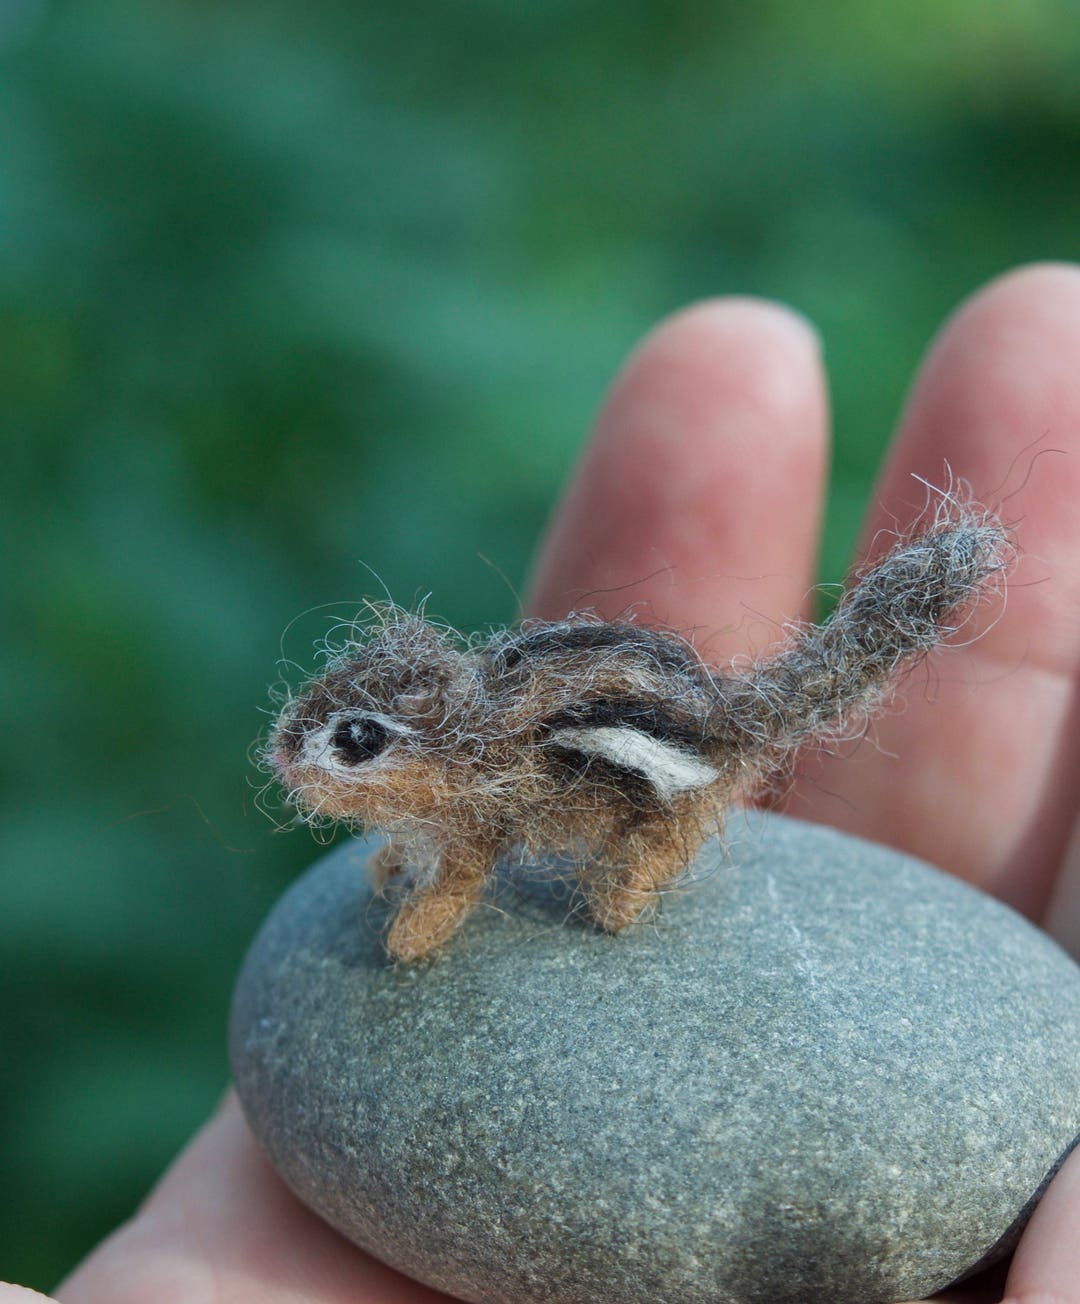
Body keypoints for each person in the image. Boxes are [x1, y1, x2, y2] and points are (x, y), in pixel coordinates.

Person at [11, 263, 1079, 1304]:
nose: (296, 769)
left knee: (626, 837)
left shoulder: (480, 788)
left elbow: (467, 855)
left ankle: (648, 858)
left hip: (660, 760)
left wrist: (448, 901)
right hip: (622, 715)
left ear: (416, 747)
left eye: (349, 746)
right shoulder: (455, 767)